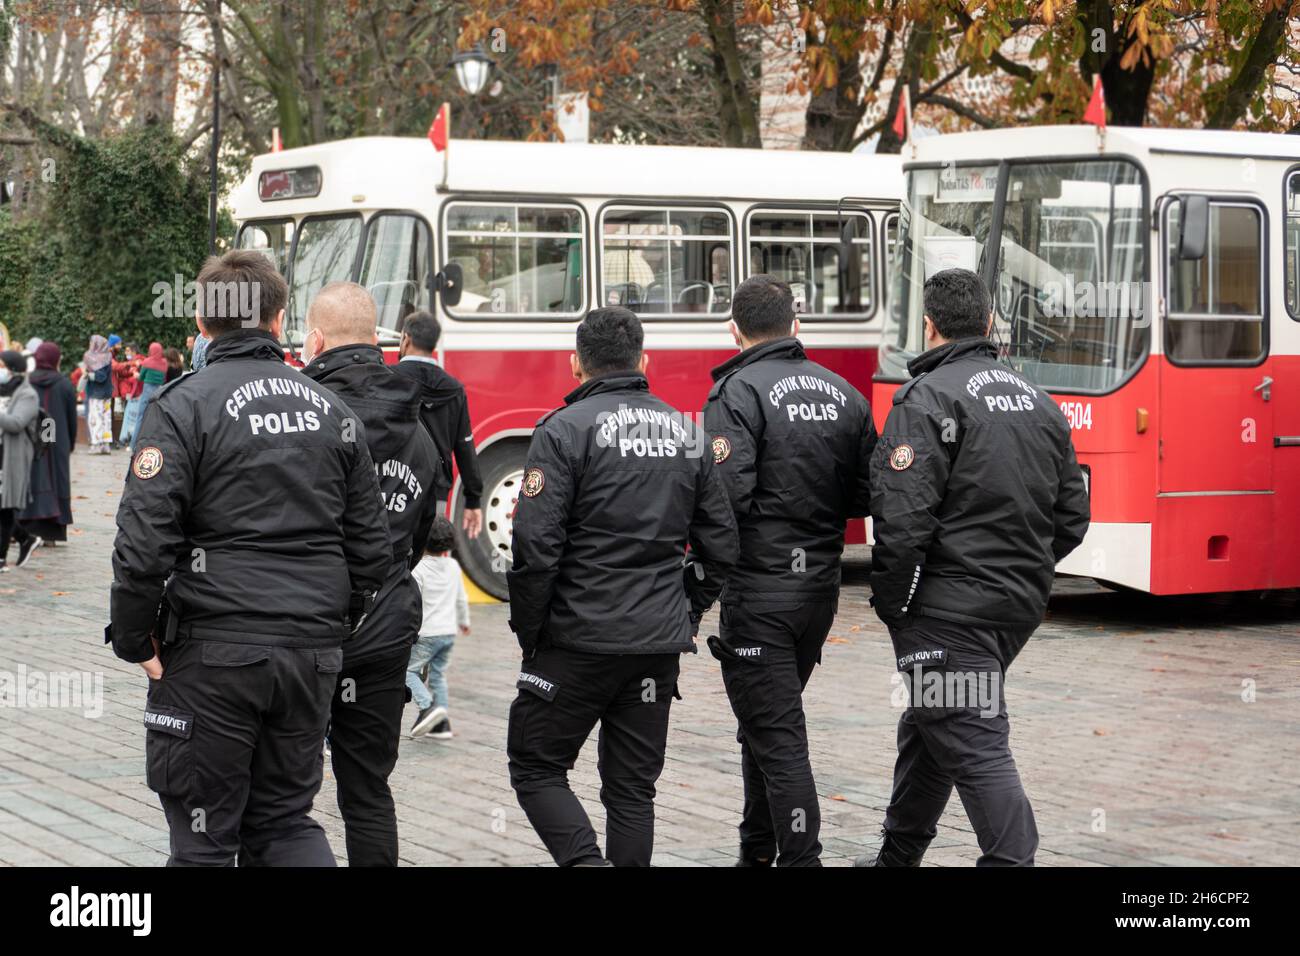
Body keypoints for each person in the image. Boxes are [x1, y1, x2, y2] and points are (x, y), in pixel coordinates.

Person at [107, 250, 392, 867]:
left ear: (204, 325)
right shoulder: (330, 410)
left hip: (213, 653)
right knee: (286, 824)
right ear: (279, 320)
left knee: (205, 842)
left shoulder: (181, 406)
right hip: (306, 654)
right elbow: (374, 549)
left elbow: (142, 543)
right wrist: (328, 624)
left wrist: (134, 639)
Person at [862, 268, 1090, 868]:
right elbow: (1072, 514)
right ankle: (897, 859)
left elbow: (901, 519)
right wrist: (1025, 570)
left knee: (973, 740)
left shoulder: (927, 397)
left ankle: (1011, 860)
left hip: (945, 611)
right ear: (989, 323)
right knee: (933, 725)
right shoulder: (1037, 399)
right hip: (1011, 609)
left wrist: (896, 605)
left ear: (929, 326)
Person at [506, 306, 738, 867]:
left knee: (535, 765)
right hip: (655, 647)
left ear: (575, 365)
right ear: (643, 360)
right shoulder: (687, 432)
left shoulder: (563, 431)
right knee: (632, 789)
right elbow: (722, 547)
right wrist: (686, 609)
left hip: (577, 640)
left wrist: (531, 632)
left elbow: (535, 549)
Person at [699, 274, 877, 867]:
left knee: (777, 737)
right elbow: (864, 496)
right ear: (796, 325)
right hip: (818, 594)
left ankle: (802, 857)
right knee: (764, 726)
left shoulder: (737, 392)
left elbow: (725, 498)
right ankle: (756, 852)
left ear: (735, 329)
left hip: (761, 593)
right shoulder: (844, 393)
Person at [298, 280, 441, 867]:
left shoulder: (304, 415)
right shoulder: (419, 426)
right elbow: (418, 534)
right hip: (385, 627)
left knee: (283, 796)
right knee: (368, 792)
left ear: (314, 340)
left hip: (308, 626)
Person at [392, 312, 484, 537]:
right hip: (436, 489)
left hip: (394, 483)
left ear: (406, 339)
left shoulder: (389, 378)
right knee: (429, 553)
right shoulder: (454, 389)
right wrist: (473, 499)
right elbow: (465, 446)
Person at [406, 516, 470, 740]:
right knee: (438, 677)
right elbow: (461, 598)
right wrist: (465, 622)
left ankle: (428, 708)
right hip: (448, 633)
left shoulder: (419, 569)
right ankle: (441, 727)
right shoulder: (453, 566)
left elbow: (413, 602)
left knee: (408, 671)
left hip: (427, 633)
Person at [21, 342, 76, 545]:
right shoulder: (64, 384)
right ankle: (50, 534)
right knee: (55, 479)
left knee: (32, 478)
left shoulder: (27, 383)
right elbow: (71, 417)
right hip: (56, 439)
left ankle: (26, 529)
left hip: (31, 439)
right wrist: (68, 443)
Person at [0, 350, 41, 571]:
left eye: (2, 365)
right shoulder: (3, 390)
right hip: (0, 451)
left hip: (12, 455)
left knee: (5, 506)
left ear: (13, 368)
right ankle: (25, 538)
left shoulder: (28, 394)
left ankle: (1, 558)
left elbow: (16, 423)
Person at [127, 342, 167, 452]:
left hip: (147, 392)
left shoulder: (147, 362)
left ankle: (133, 445)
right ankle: (154, 446)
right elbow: (164, 379)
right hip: (159, 392)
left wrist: (136, 374)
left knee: (140, 418)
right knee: (156, 419)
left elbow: (141, 378)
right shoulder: (164, 363)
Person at [83, 335, 115, 455]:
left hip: (96, 393)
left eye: (92, 343)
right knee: (106, 419)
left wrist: (88, 375)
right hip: (106, 393)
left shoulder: (97, 358)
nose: (90, 345)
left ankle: (96, 445)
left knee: (95, 419)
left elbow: (100, 377)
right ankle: (105, 446)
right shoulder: (107, 356)